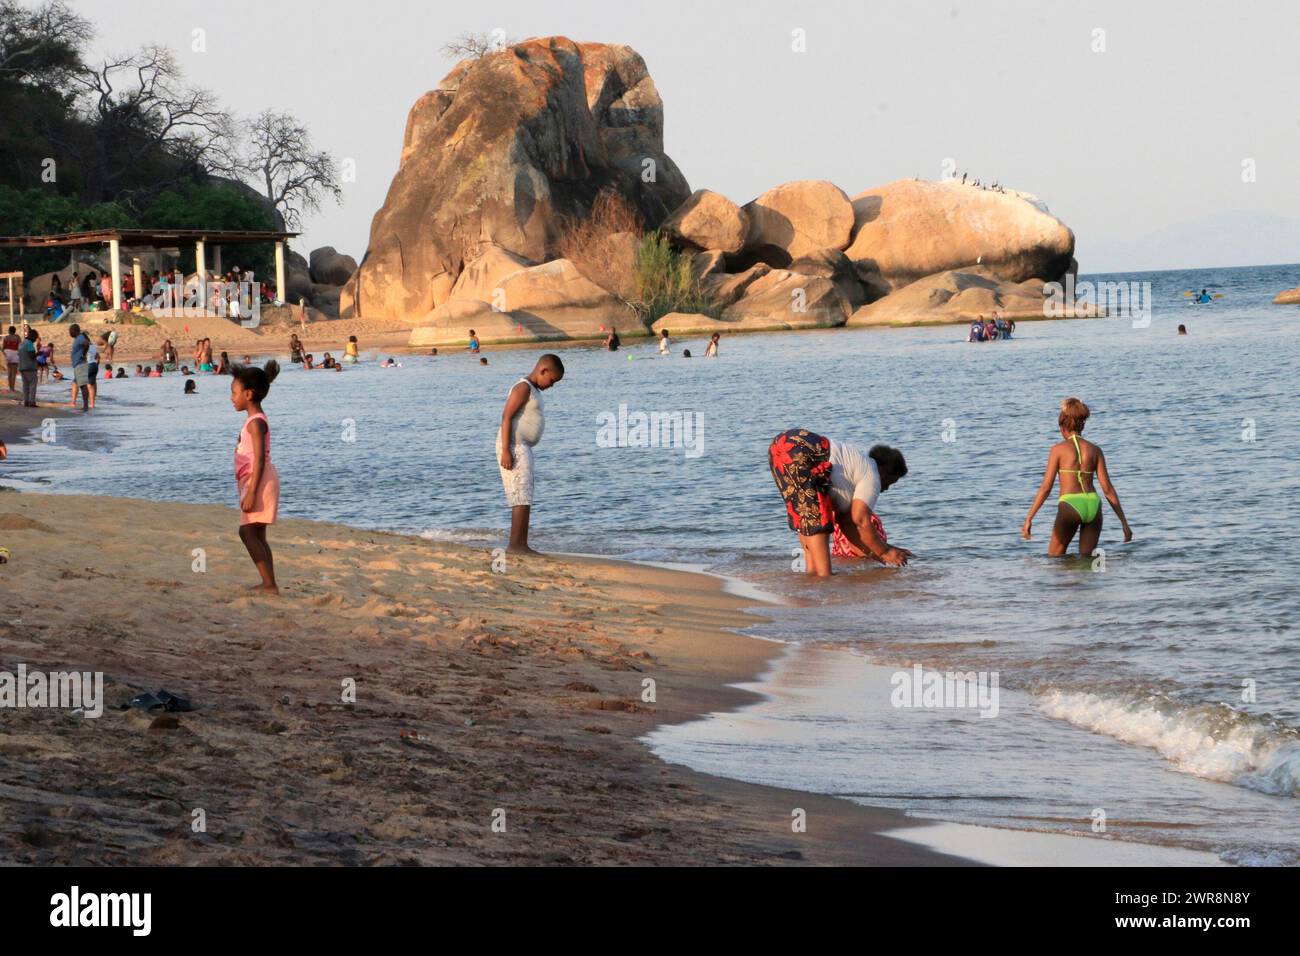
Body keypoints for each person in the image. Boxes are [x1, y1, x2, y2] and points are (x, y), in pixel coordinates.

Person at [768, 430, 912, 577]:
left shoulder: (854, 470)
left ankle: (812, 576)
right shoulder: (872, 474)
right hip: (801, 449)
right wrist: (885, 552)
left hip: (781, 446)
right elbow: (861, 520)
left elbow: (847, 525)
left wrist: (882, 553)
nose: (886, 489)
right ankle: (824, 577)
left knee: (806, 514)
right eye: (890, 482)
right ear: (885, 471)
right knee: (817, 517)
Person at [1021, 397, 1133, 555]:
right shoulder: (1095, 450)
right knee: (1088, 563)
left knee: (1055, 558)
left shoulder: (1058, 450)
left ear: (1062, 427)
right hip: (1093, 505)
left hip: (1070, 505)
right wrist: (1124, 523)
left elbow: (1046, 487)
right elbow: (1107, 489)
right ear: (1082, 425)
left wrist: (1029, 518)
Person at [497, 354, 565, 553]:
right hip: (513, 445)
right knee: (520, 495)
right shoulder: (523, 387)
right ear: (543, 370)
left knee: (525, 494)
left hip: (522, 446)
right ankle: (516, 545)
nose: (551, 385)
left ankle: (520, 543)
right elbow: (506, 417)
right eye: (552, 380)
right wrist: (506, 451)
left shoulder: (533, 390)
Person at [230, 361, 282, 594]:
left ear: (248, 394)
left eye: (234, 393)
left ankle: (269, 584)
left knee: (247, 532)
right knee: (257, 533)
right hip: (256, 481)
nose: (232, 398)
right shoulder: (253, 420)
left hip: (259, 482)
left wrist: (251, 492)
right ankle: (268, 582)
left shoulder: (257, 422)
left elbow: (259, 458)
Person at [68, 323, 91, 410]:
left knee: (83, 385)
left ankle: (85, 406)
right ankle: (76, 402)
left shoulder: (80, 337)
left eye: (70, 331)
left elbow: (87, 344)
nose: (69, 332)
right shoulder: (78, 338)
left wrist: (83, 354)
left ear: (75, 331)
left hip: (80, 364)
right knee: (77, 384)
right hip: (78, 365)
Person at [18, 328, 38, 406]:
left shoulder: (22, 343)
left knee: (25, 385)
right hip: (30, 367)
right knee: (32, 385)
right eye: (35, 338)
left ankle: (26, 401)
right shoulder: (29, 343)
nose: (35, 340)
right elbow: (32, 355)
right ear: (33, 336)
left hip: (22, 367)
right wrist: (38, 353)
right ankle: (32, 402)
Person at [3, 325, 20, 392]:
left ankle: (10, 388)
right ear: (14, 331)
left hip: (7, 353)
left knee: (9, 372)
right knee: (14, 372)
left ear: (9, 331)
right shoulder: (17, 337)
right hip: (15, 353)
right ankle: (13, 388)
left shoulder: (6, 337)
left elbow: (3, 347)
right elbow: (20, 346)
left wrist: (5, 353)